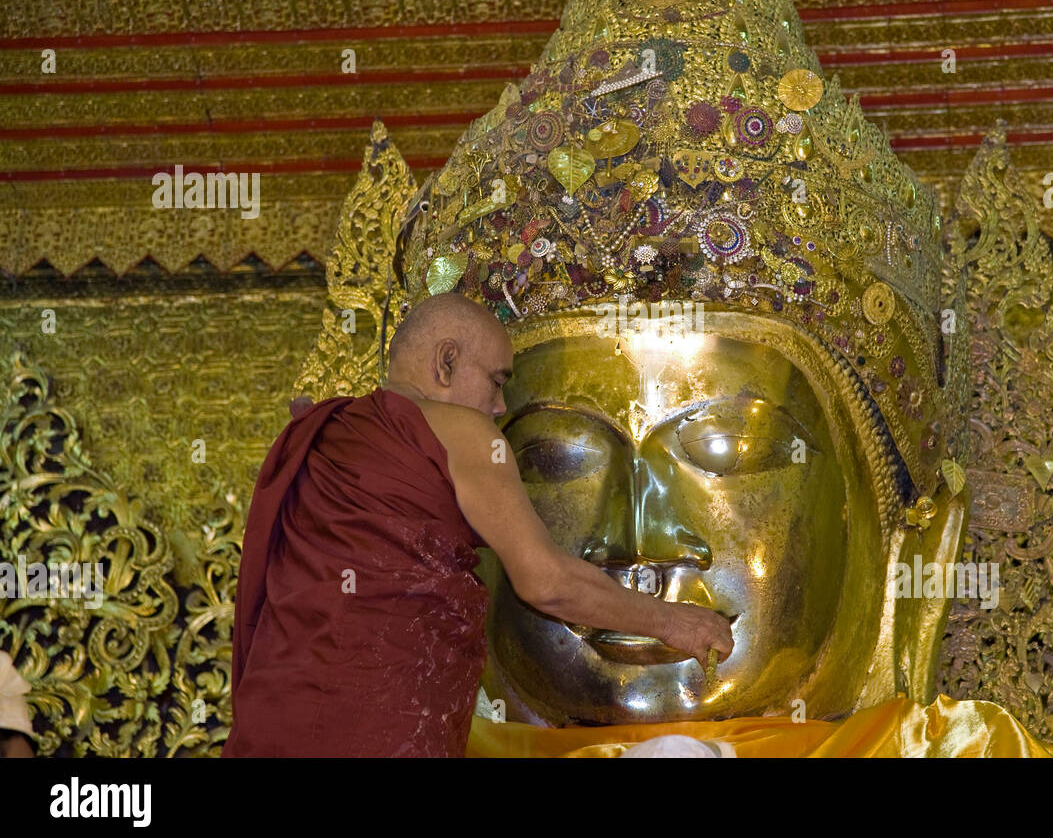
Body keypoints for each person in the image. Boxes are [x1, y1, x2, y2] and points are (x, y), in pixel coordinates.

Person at [224, 292, 732, 757]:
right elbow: (547, 582)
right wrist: (674, 623)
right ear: (446, 361)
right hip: (371, 725)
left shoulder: (326, 432)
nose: (498, 408)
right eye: (496, 381)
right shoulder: (462, 431)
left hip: (278, 718)